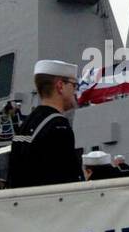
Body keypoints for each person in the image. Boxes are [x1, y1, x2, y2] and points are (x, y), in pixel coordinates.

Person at [7, 59, 84, 188]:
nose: (75, 91)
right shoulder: (58, 125)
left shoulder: (28, 121)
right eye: (74, 85)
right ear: (60, 86)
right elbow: (67, 179)